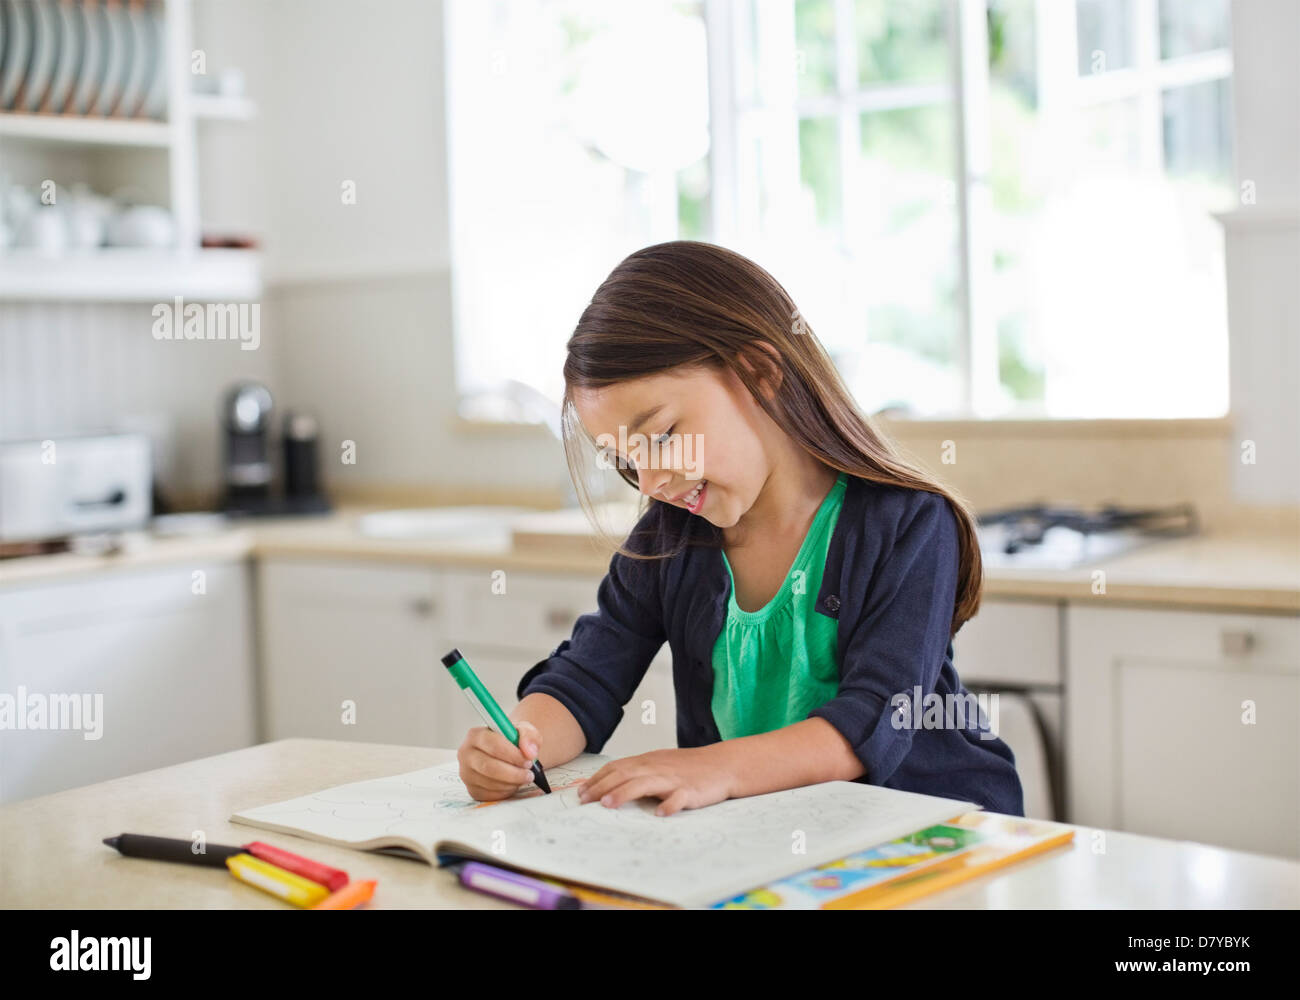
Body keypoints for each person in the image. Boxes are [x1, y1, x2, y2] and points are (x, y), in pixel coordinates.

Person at [457, 240, 1024, 818]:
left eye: (661, 436)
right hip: (782, 841)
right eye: (625, 458)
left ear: (758, 373)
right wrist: (520, 743)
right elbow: (585, 681)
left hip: (932, 829)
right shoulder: (669, 539)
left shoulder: (908, 525)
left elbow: (876, 716)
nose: (650, 482)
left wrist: (714, 767)